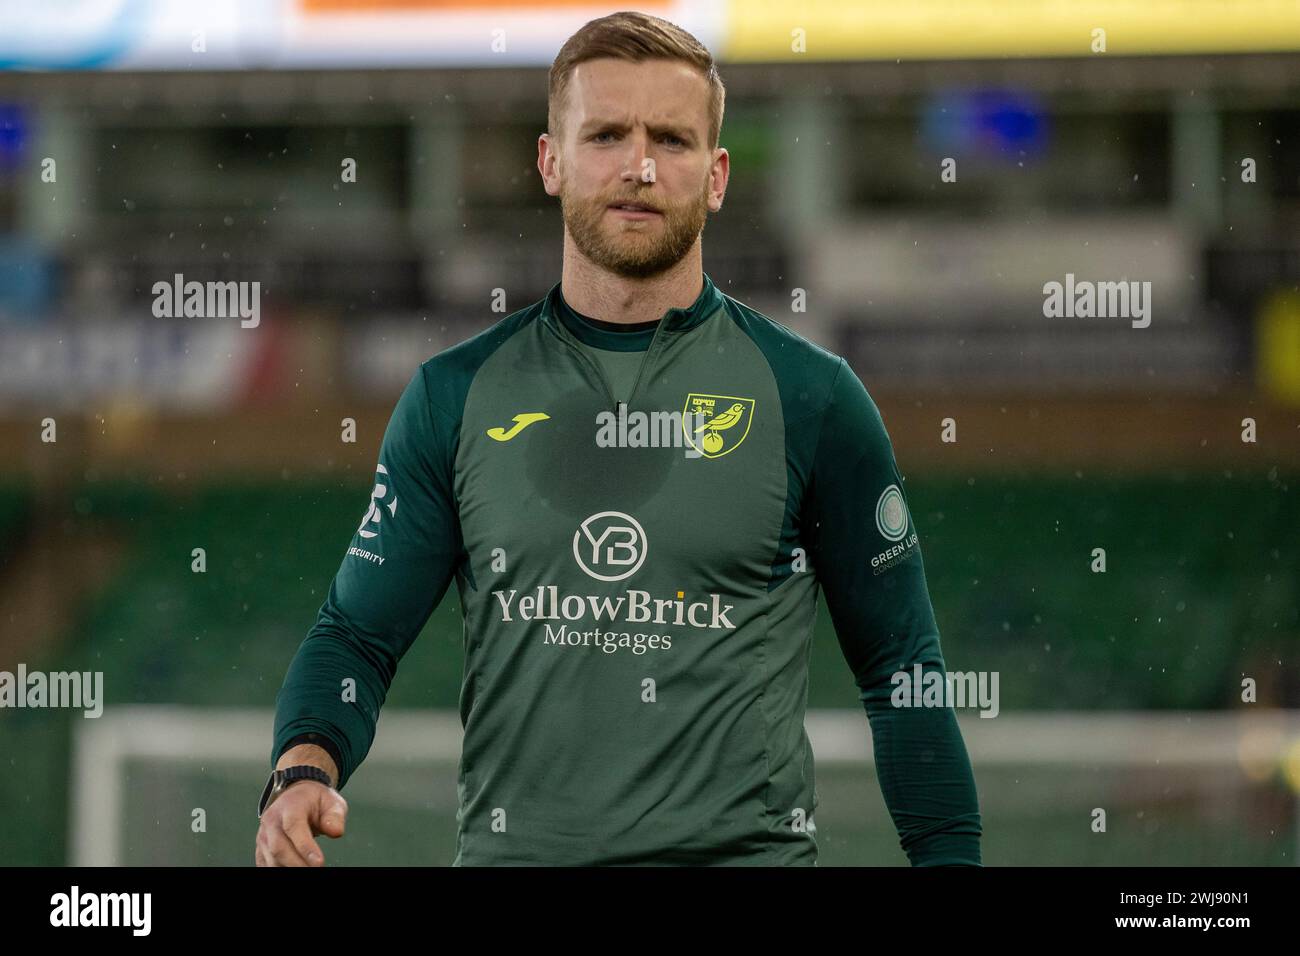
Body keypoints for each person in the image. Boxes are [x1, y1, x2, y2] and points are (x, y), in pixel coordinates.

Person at [256, 10, 981, 867]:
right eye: (606, 135)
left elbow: (903, 670)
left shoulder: (813, 398)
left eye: (670, 140)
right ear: (550, 161)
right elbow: (356, 634)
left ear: (716, 177)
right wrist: (303, 766)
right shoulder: (454, 396)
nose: (638, 167)